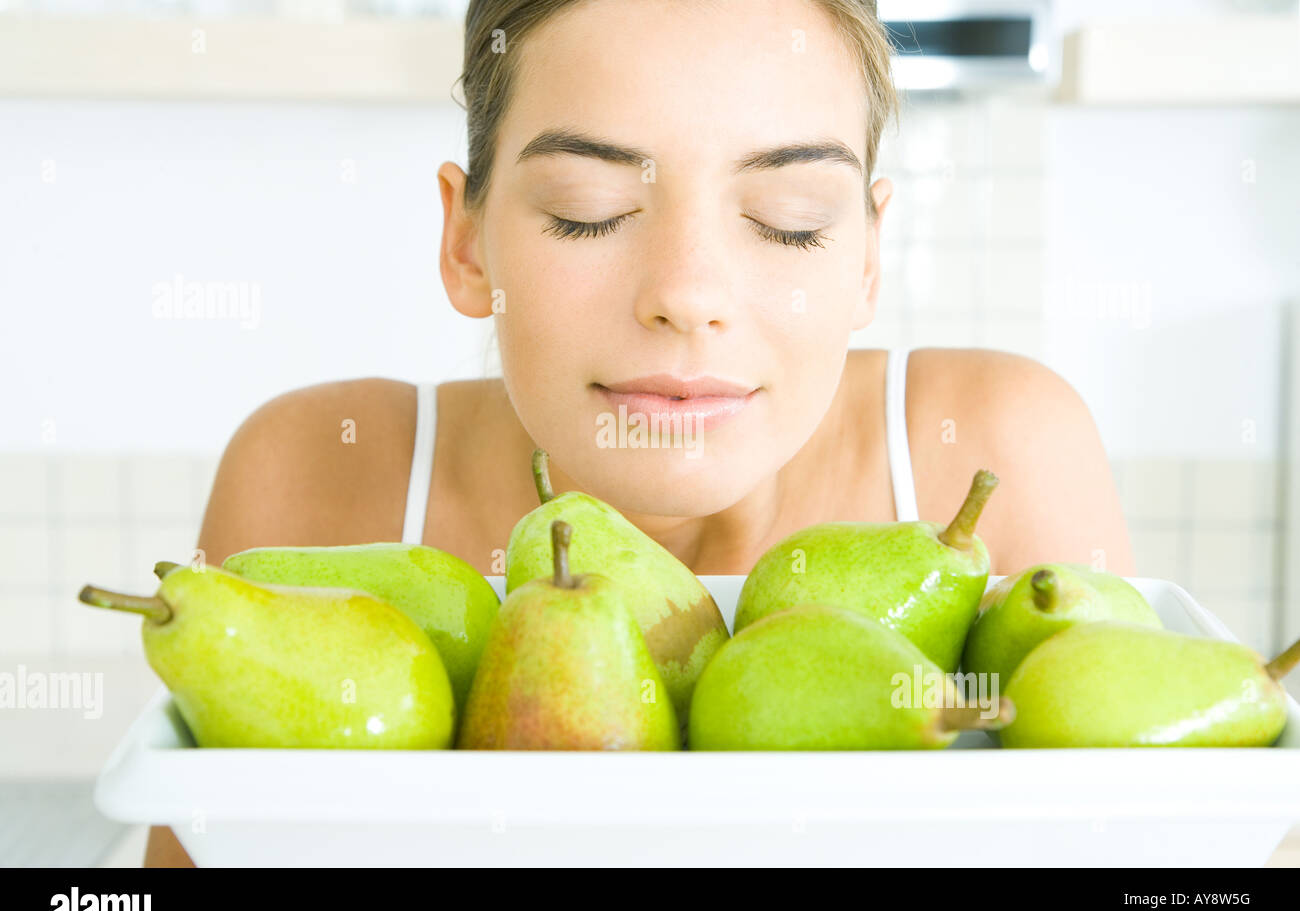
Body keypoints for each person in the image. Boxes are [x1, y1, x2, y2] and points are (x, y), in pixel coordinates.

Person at [145, 0, 1135, 866]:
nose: (688, 296)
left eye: (790, 220)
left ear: (868, 256)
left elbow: (1167, 891)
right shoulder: (319, 477)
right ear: (466, 241)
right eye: (591, 213)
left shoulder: (1001, 450)